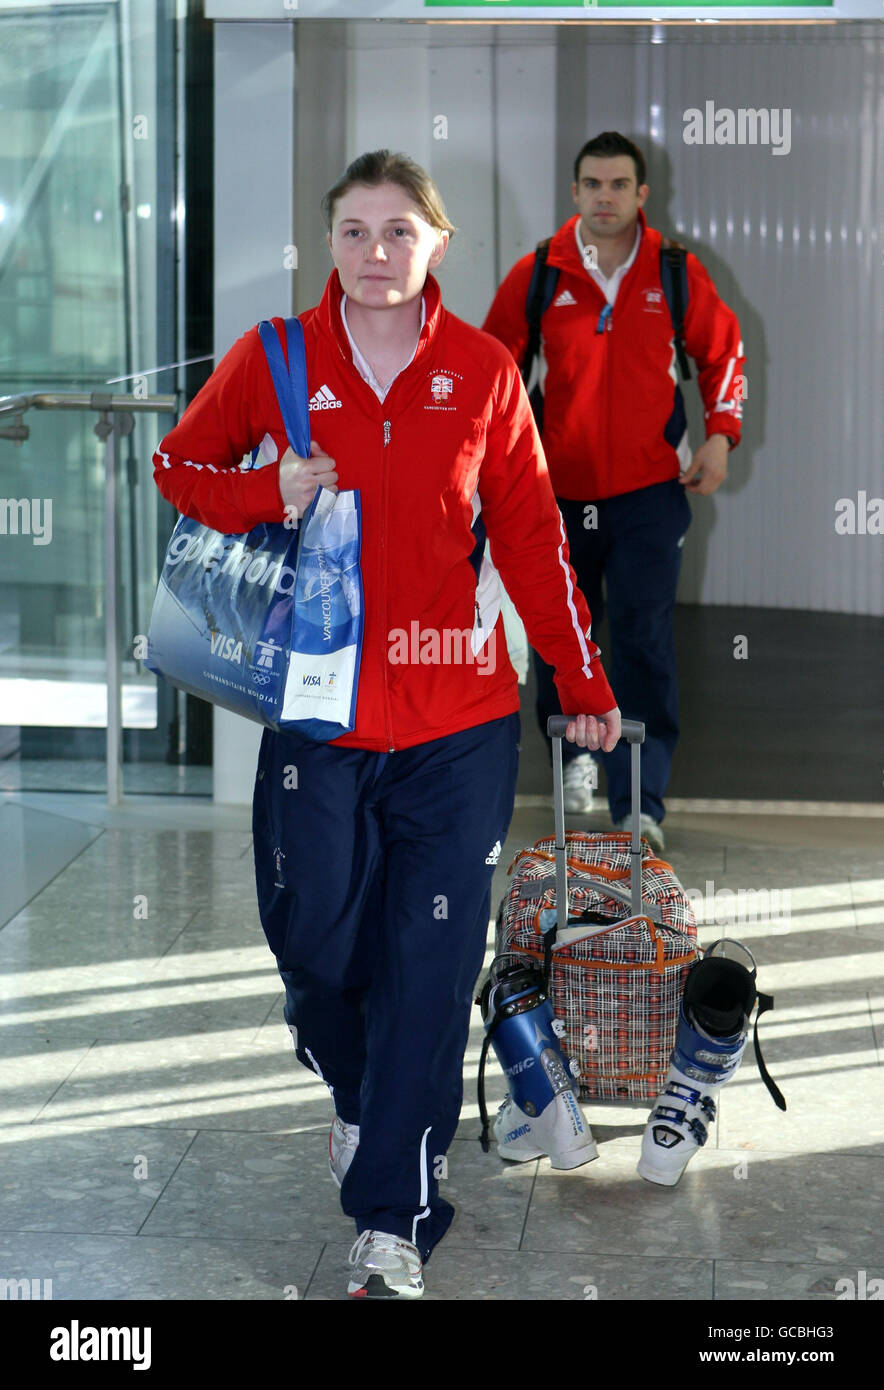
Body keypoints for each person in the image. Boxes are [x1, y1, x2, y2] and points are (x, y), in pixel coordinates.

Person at [152, 149, 621, 1300]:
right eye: (354, 232)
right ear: (328, 247)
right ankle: (356, 1091)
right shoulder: (275, 357)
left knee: (425, 966)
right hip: (318, 715)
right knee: (314, 949)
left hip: (458, 717)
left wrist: (581, 680)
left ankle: (392, 1223)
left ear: (436, 245)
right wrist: (273, 491)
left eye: (398, 231)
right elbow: (180, 465)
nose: (375, 253)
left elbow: (528, 535)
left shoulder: (482, 370)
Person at [482, 131, 745, 850]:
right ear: (575, 193)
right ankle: (573, 762)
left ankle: (641, 802)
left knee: (642, 643)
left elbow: (723, 352)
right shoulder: (539, 274)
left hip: (648, 494)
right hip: (555, 497)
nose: (605, 197)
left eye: (619, 185)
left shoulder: (675, 273)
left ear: (640, 194)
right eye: (593, 185)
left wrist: (721, 433)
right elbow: (493, 370)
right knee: (561, 635)